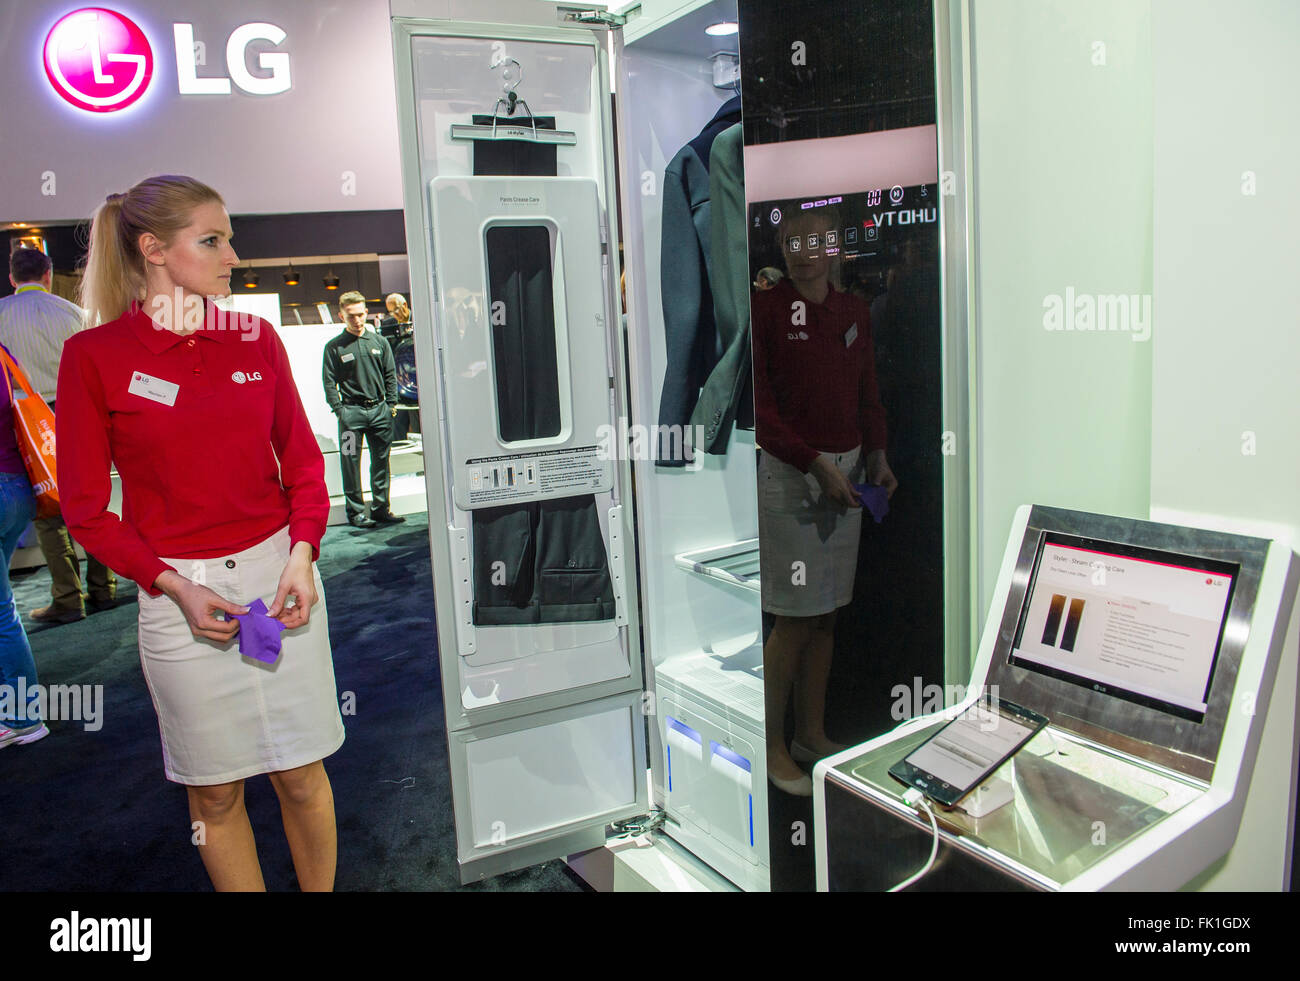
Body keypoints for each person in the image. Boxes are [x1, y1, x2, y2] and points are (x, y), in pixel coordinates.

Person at [57, 175, 346, 891]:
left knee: (300, 771)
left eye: (228, 236)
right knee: (215, 791)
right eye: (211, 239)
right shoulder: (95, 357)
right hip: (179, 597)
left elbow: (305, 467)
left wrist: (302, 554)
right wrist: (175, 586)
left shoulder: (256, 337)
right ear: (153, 249)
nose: (232, 253)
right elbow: (87, 508)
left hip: (278, 586)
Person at [751, 207, 898, 796]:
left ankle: (810, 734)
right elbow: (763, 414)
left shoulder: (853, 311)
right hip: (794, 477)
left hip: (848, 474)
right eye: (790, 240)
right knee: (794, 618)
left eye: (813, 240)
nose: (801, 250)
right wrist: (813, 463)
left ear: (834, 246)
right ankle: (769, 747)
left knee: (828, 613)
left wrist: (879, 457)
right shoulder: (766, 309)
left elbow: (868, 394)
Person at [0, 247, 117, 624]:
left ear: (13, 277)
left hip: (28, 425)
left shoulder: (1, 314)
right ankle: (104, 588)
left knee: (48, 512)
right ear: (48, 275)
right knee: (91, 503)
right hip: (77, 415)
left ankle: (68, 599)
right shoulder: (73, 313)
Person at [322, 291, 404, 528]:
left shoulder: (380, 343)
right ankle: (356, 512)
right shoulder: (334, 347)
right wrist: (340, 410)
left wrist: (390, 405)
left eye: (360, 314)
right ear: (341, 316)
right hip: (351, 415)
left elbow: (391, 375)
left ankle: (381, 509)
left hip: (379, 412)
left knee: (381, 461)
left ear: (367, 312)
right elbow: (329, 382)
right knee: (350, 462)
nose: (357, 320)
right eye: (351, 316)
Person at [0, 340, 46, 748]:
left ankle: (21, 718)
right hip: (16, 485)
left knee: (1, 613)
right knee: (3, 609)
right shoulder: (3, 353)